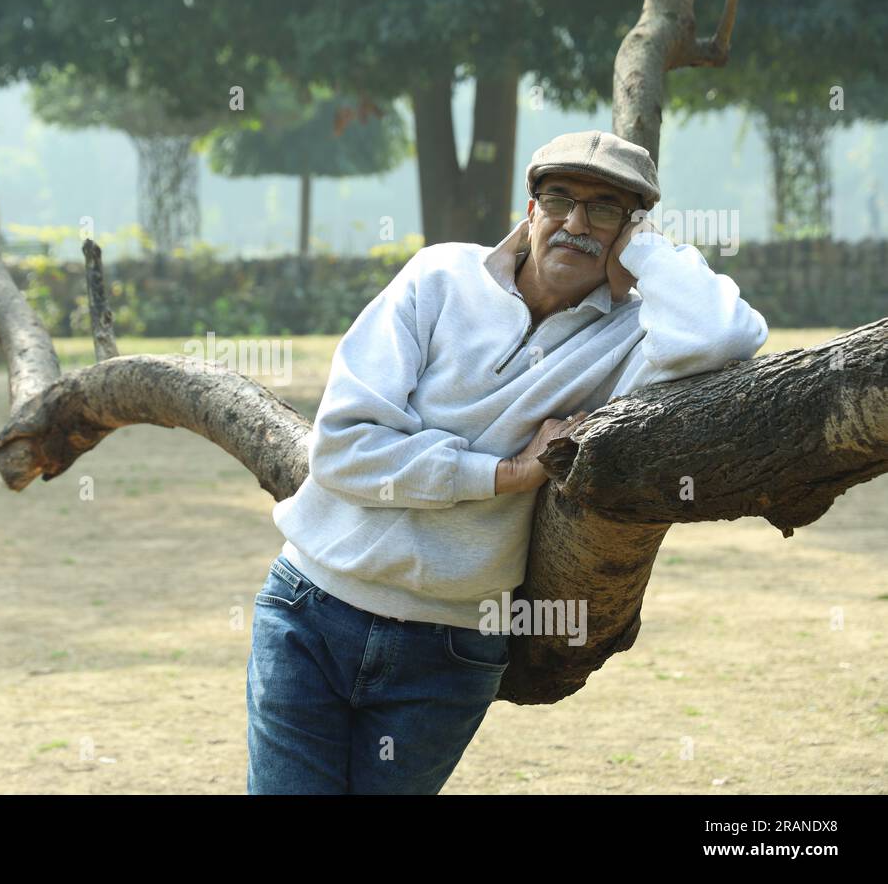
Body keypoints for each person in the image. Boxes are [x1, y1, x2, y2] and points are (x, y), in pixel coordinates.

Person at [247, 129, 769, 794]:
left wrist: (647, 252)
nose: (576, 223)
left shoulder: (631, 340)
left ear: (630, 232)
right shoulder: (437, 277)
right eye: (560, 199)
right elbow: (343, 449)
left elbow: (729, 332)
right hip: (310, 611)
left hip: (448, 645)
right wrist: (504, 474)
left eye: (604, 210)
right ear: (530, 211)